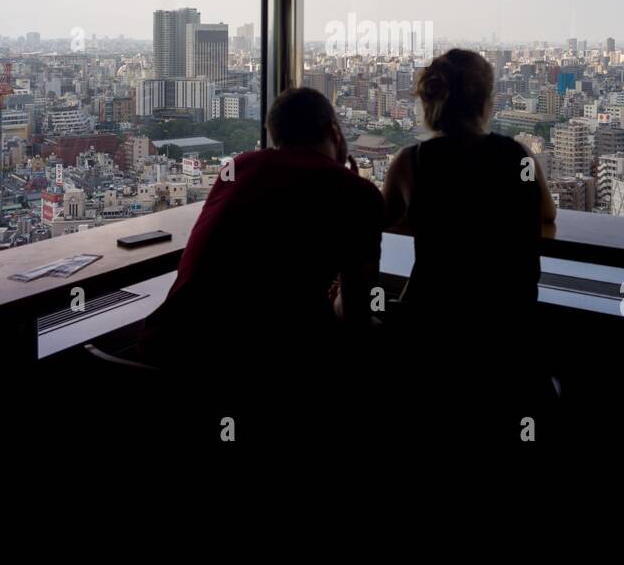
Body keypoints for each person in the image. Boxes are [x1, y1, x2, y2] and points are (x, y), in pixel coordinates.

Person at [136, 87, 384, 440]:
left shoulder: (237, 168)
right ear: (334, 131)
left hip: (163, 358)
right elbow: (355, 314)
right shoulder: (356, 193)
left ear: (274, 134)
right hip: (260, 378)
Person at [381, 48, 557, 440]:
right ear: (485, 103)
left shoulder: (412, 162)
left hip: (433, 341)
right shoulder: (516, 155)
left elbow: (382, 217)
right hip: (508, 341)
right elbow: (547, 214)